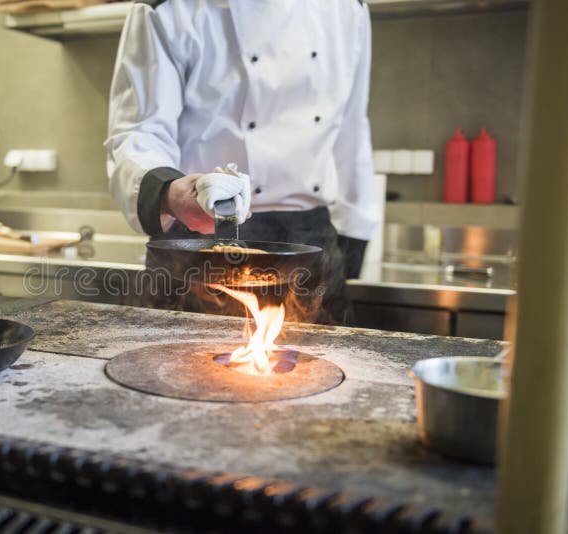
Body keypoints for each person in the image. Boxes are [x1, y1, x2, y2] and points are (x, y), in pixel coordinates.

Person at [105, 0, 380, 324]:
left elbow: (352, 129)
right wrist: (174, 193)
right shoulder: (168, 8)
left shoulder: (347, 8)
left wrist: (355, 234)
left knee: (330, 370)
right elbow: (139, 132)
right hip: (198, 238)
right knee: (170, 370)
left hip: (310, 244)